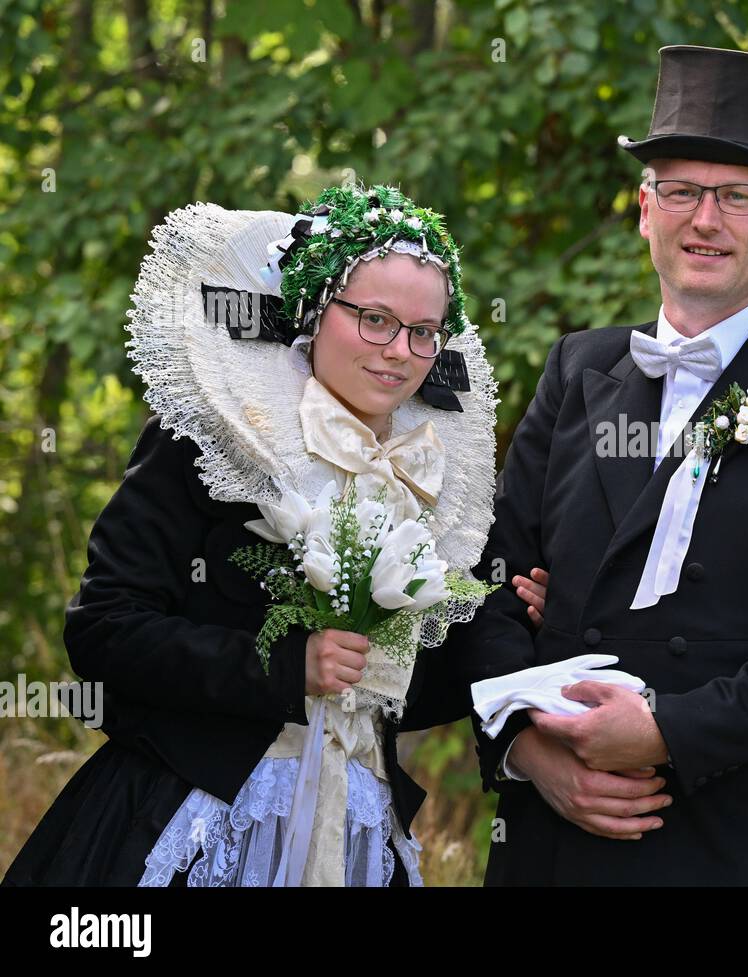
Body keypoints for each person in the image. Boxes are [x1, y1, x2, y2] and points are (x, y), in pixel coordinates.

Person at [453, 45, 748, 885]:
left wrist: (669, 729)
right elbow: (483, 581)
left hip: (728, 842)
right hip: (545, 843)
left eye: (739, 196)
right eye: (681, 191)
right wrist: (527, 750)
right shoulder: (576, 367)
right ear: (646, 210)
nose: (705, 220)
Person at [2, 181, 545, 886]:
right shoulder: (213, 440)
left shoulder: (425, 477)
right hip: (193, 815)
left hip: (354, 830)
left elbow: (393, 694)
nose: (399, 352)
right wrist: (288, 669)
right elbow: (104, 632)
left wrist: (522, 626)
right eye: (374, 319)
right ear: (317, 308)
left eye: (421, 332)